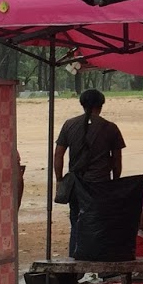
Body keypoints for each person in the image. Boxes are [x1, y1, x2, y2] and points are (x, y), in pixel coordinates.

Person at [54, 88, 125, 258]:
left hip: (76, 185)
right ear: (101, 105)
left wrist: (60, 180)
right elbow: (116, 161)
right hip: (101, 185)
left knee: (76, 224)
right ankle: (103, 267)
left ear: (82, 104)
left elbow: (58, 155)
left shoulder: (69, 124)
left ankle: (75, 266)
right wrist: (115, 183)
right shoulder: (110, 128)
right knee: (101, 224)